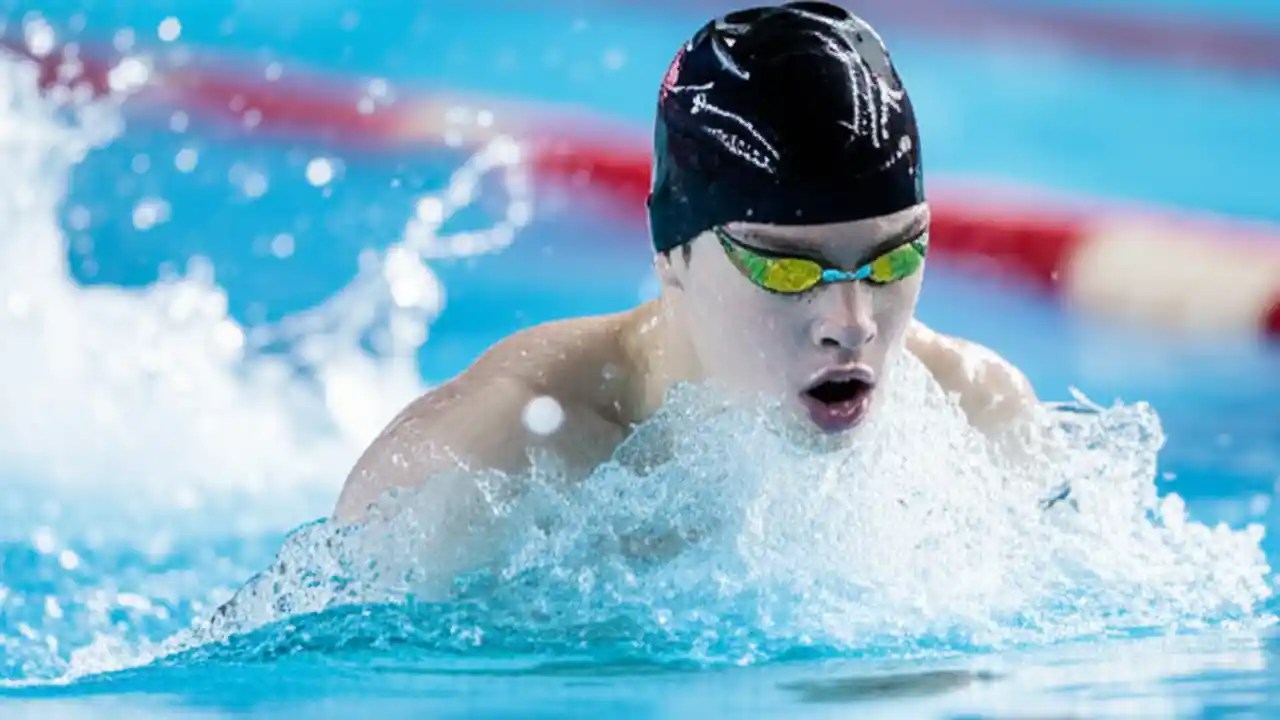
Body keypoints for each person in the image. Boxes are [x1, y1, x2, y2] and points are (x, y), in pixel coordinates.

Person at [333, 1, 1037, 524]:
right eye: (787, 269)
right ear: (671, 254)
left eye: (892, 259)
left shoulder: (979, 418)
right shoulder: (495, 465)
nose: (851, 325)